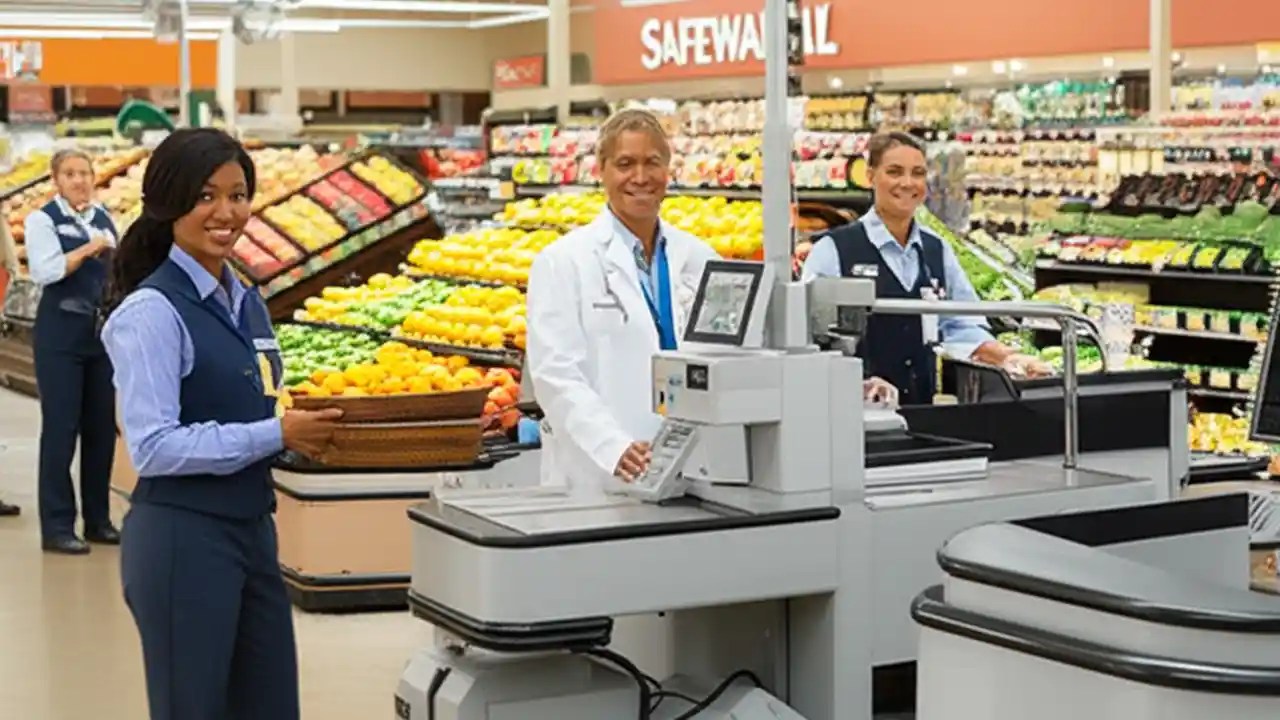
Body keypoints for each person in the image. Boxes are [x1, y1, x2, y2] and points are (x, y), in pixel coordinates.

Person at [100, 128, 343, 720]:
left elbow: (257, 397)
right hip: (184, 536)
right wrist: (276, 434)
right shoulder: (151, 313)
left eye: (238, 195)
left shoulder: (246, 300)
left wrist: (297, 425)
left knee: (269, 705)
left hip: (252, 530)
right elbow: (154, 447)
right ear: (168, 202)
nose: (226, 212)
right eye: (205, 196)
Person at [526, 108, 722, 491]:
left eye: (652, 163)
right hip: (598, 475)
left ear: (669, 169)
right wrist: (611, 446)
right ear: (601, 171)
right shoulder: (563, 261)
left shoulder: (701, 257)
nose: (640, 178)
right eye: (625, 164)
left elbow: (722, 355)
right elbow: (556, 374)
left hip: (693, 466)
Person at [803, 131, 1050, 405]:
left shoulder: (937, 251)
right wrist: (857, 382)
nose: (907, 183)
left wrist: (1008, 357)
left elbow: (961, 323)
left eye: (917, 173)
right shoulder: (833, 250)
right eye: (894, 172)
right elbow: (810, 340)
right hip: (853, 414)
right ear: (871, 176)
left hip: (921, 408)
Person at [25, 148, 119, 554]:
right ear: (56, 180)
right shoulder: (42, 220)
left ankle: (98, 520)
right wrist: (87, 250)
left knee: (101, 431)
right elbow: (45, 271)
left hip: (99, 337)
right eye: (70, 174)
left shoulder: (104, 218)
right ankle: (58, 526)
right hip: (59, 336)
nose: (80, 180)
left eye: (85, 172)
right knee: (61, 430)